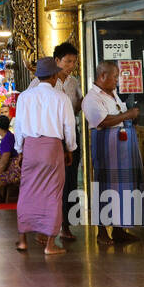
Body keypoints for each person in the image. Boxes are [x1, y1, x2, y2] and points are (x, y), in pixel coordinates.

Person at [14, 58, 77, 255]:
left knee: (27, 191)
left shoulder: (24, 97)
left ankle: (23, 240)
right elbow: (69, 126)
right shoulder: (61, 98)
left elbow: (19, 127)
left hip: (31, 146)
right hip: (52, 148)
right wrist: (70, 149)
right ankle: (50, 244)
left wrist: (20, 149)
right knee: (53, 193)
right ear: (53, 75)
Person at [82, 60, 144, 244]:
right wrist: (129, 115)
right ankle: (102, 232)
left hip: (122, 148)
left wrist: (130, 115)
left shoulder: (113, 95)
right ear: (103, 76)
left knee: (123, 188)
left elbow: (117, 114)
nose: (117, 80)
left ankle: (119, 229)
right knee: (104, 186)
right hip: (107, 147)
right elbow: (102, 121)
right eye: (115, 77)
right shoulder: (92, 98)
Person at [52, 42, 83, 239]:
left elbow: (78, 107)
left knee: (70, 180)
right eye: (67, 61)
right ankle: (48, 226)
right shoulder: (43, 83)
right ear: (57, 61)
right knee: (54, 182)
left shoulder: (74, 83)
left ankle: (66, 225)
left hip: (71, 134)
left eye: (74, 61)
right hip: (53, 136)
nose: (71, 65)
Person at [0, 114, 20, 201]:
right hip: (11, 167)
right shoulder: (8, 136)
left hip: (15, 171)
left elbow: (4, 162)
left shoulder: (7, 139)